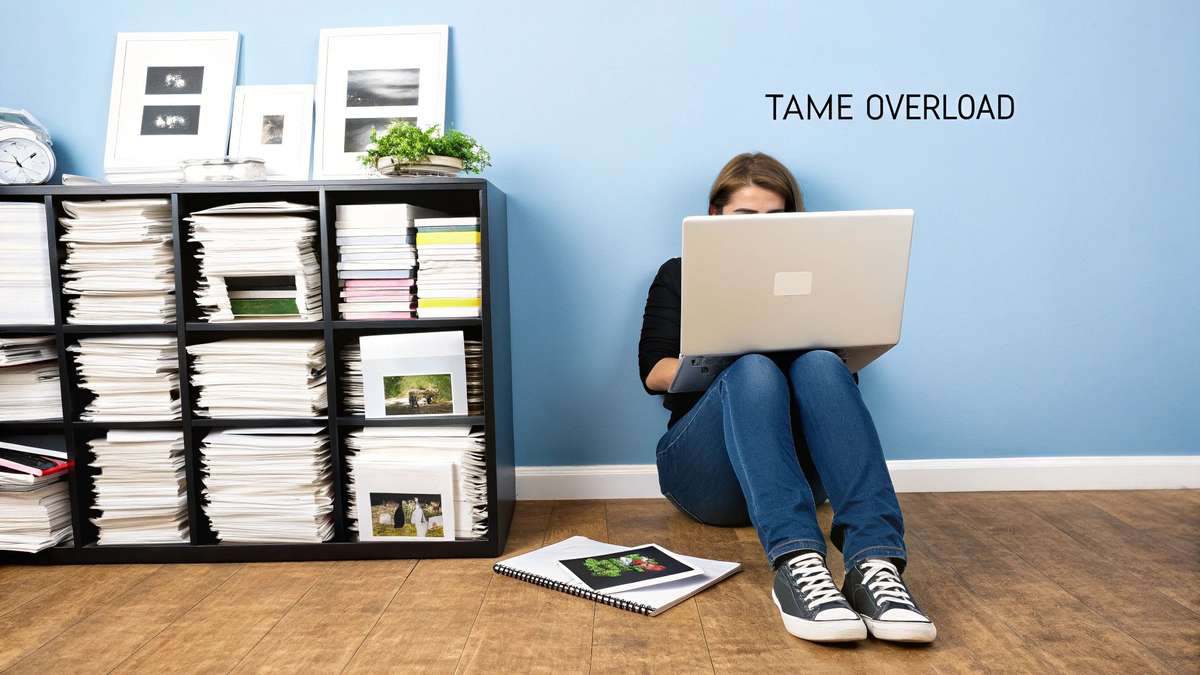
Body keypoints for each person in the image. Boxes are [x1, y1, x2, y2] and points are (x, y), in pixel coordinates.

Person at [637, 152, 936, 644]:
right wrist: (724, 361)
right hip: (704, 475)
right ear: (715, 218)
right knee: (753, 368)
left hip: (801, 475)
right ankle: (797, 563)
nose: (759, 230)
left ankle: (875, 565)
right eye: (744, 218)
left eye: (774, 219)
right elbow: (653, 373)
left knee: (820, 363)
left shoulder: (823, 278)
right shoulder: (678, 273)